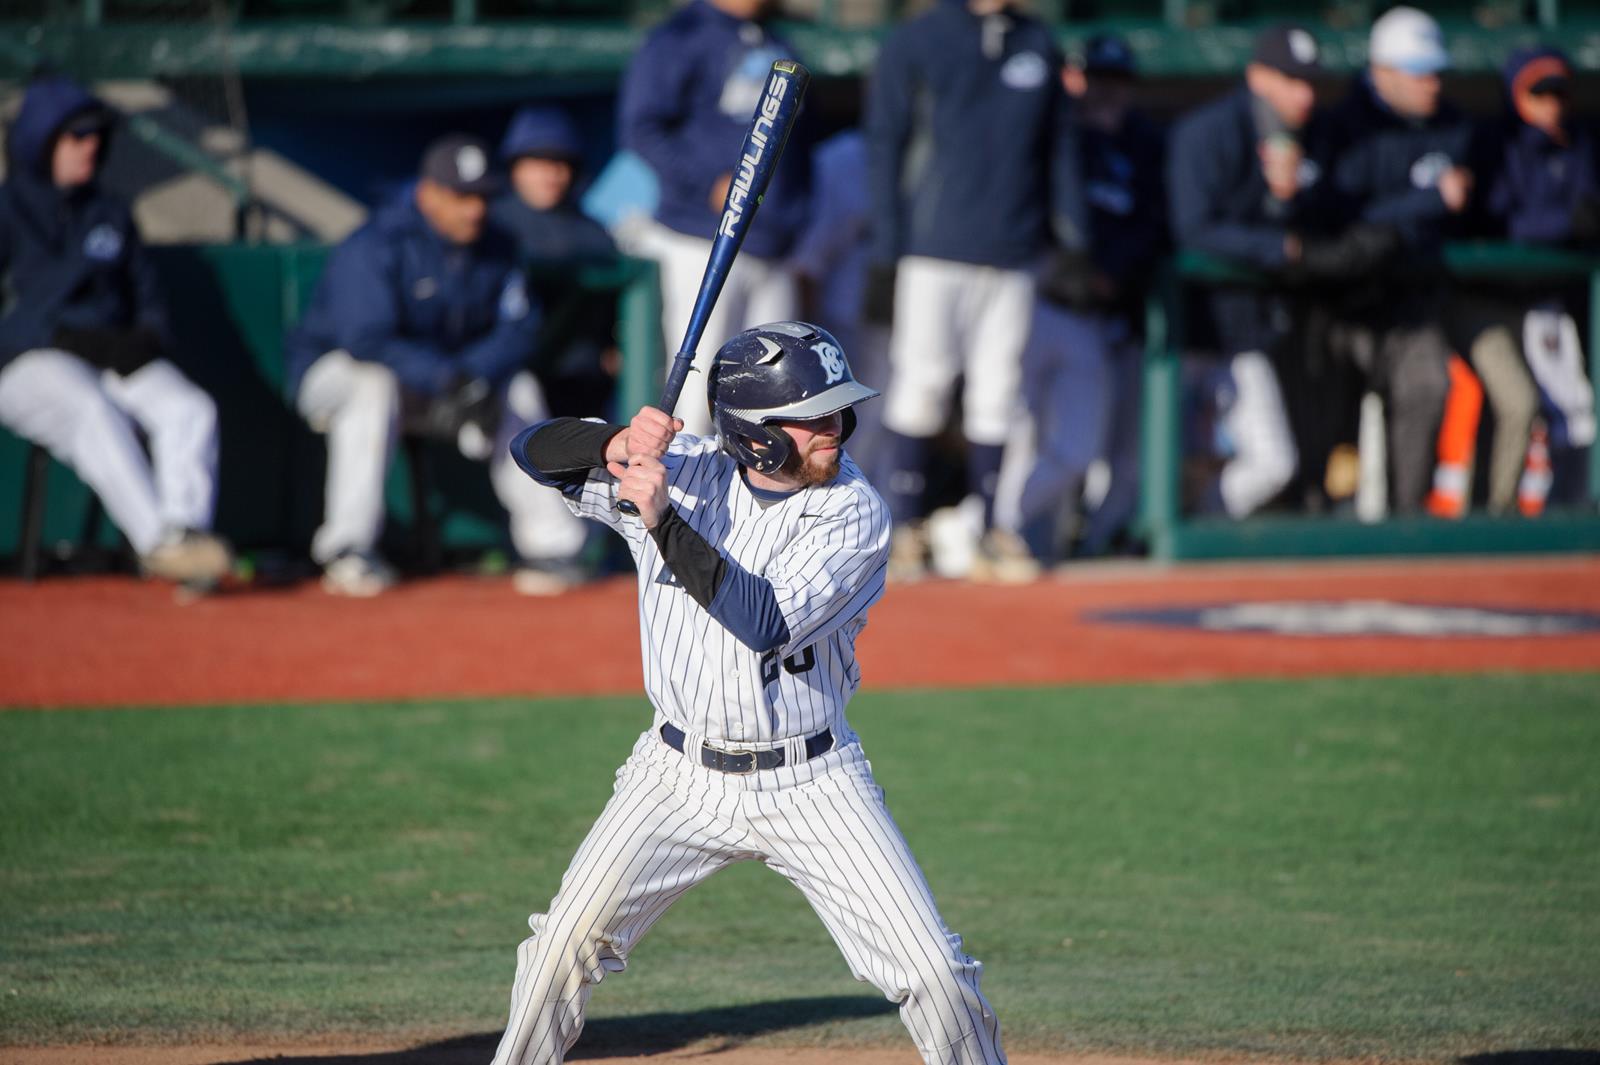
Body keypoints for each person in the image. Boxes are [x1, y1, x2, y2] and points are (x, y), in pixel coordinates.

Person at [493, 321, 1005, 1065]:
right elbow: (531, 450)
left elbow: (761, 620)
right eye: (814, 417)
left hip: (812, 780)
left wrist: (659, 519)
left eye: (839, 410)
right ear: (756, 435)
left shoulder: (852, 510)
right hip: (674, 777)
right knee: (559, 948)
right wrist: (612, 446)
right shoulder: (686, 467)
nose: (837, 428)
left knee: (933, 971)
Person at [284, 134, 586, 597]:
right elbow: (365, 339)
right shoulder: (378, 241)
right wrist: (451, 379)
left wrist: (472, 378)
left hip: (446, 380)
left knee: (518, 388)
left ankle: (554, 547)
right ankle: (348, 547)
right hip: (334, 378)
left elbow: (520, 328)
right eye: (461, 196)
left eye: (482, 197)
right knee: (373, 384)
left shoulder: (498, 245)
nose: (474, 210)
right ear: (428, 193)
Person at [866, 0, 1086, 583]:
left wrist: (1072, 233)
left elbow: (1058, 147)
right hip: (933, 246)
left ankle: (991, 527)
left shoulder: (1037, 40)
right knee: (922, 381)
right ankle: (906, 529)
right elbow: (885, 144)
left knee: (1000, 389)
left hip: (1013, 249)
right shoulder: (919, 40)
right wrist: (889, 248)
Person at [0, 75, 231, 584]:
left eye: (95, 137)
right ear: (41, 141)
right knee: (91, 410)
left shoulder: (109, 213)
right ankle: (158, 543)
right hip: (23, 364)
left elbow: (147, 301)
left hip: (104, 355)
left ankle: (186, 538)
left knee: (189, 408)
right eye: (75, 137)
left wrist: (143, 339)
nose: (90, 147)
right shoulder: (7, 211)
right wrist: (46, 336)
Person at [1168, 24, 1376, 520]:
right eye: (1291, 80)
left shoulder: (1314, 138)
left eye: (1310, 82)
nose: (1304, 95)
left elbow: (1338, 220)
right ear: (1258, 76)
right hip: (1180, 332)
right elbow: (1191, 229)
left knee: (1272, 462)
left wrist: (1288, 203)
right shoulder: (1210, 131)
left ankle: (1202, 521)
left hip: (1246, 331)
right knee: (1147, 463)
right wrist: (1277, 242)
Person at [996, 34, 1164, 561]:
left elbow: (1155, 225)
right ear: (1074, 78)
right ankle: (998, 534)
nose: (1106, 91)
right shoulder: (1048, 130)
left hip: (1090, 315)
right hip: (1031, 301)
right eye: (1097, 79)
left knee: (1076, 450)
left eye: (1117, 81)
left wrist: (1110, 270)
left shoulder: (1142, 144)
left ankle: (1001, 525)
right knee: (1011, 429)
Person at [617, 0, 811, 435]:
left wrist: (797, 213)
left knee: (776, 399)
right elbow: (641, 127)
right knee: (697, 397)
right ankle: (677, 502)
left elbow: (800, 145)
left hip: (772, 245)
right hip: (701, 239)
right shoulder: (680, 35)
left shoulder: (779, 38)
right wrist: (707, 182)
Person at [1324, 6, 1480, 514]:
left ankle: (1408, 518)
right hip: (1343, 303)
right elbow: (1344, 217)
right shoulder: (1344, 128)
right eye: (1419, 72)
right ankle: (1329, 525)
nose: (1431, 83)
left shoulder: (1455, 127)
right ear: (1381, 72)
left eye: (1436, 72)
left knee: (1428, 386)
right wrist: (1428, 200)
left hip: (1415, 301)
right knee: (1335, 422)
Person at [1484, 46, 1598, 506]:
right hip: (1500, 296)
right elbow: (1497, 224)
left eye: (1559, 94)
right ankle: (1500, 516)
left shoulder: (1581, 144)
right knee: (1523, 407)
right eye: (1538, 94)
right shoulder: (1499, 145)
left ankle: (1568, 509)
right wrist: (1566, 225)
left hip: (1558, 298)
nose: (1550, 104)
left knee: (1572, 411)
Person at [493, 105, 621, 420]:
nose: (551, 174)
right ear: (515, 166)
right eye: (539, 162)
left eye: (561, 163)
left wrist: (614, 346)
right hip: (502, 374)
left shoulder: (594, 233)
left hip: (580, 380)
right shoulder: (491, 224)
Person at [786, 128, 890, 483]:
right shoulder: (844, 159)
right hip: (838, 331)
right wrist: (810, 340)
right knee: (843, 436)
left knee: (885, 435)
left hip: (898, 330)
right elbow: (806, 264)